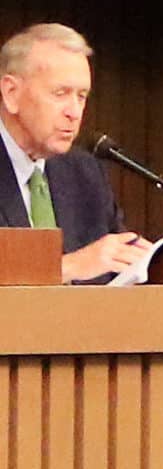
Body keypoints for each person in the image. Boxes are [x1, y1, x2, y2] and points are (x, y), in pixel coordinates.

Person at [0, 22, 148, 280]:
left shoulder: (84, 172)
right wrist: (66, 267)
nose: (74, 112)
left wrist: (144, 261)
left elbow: (112, 271)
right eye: (60, 93)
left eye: (81, 96)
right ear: (11, 93)